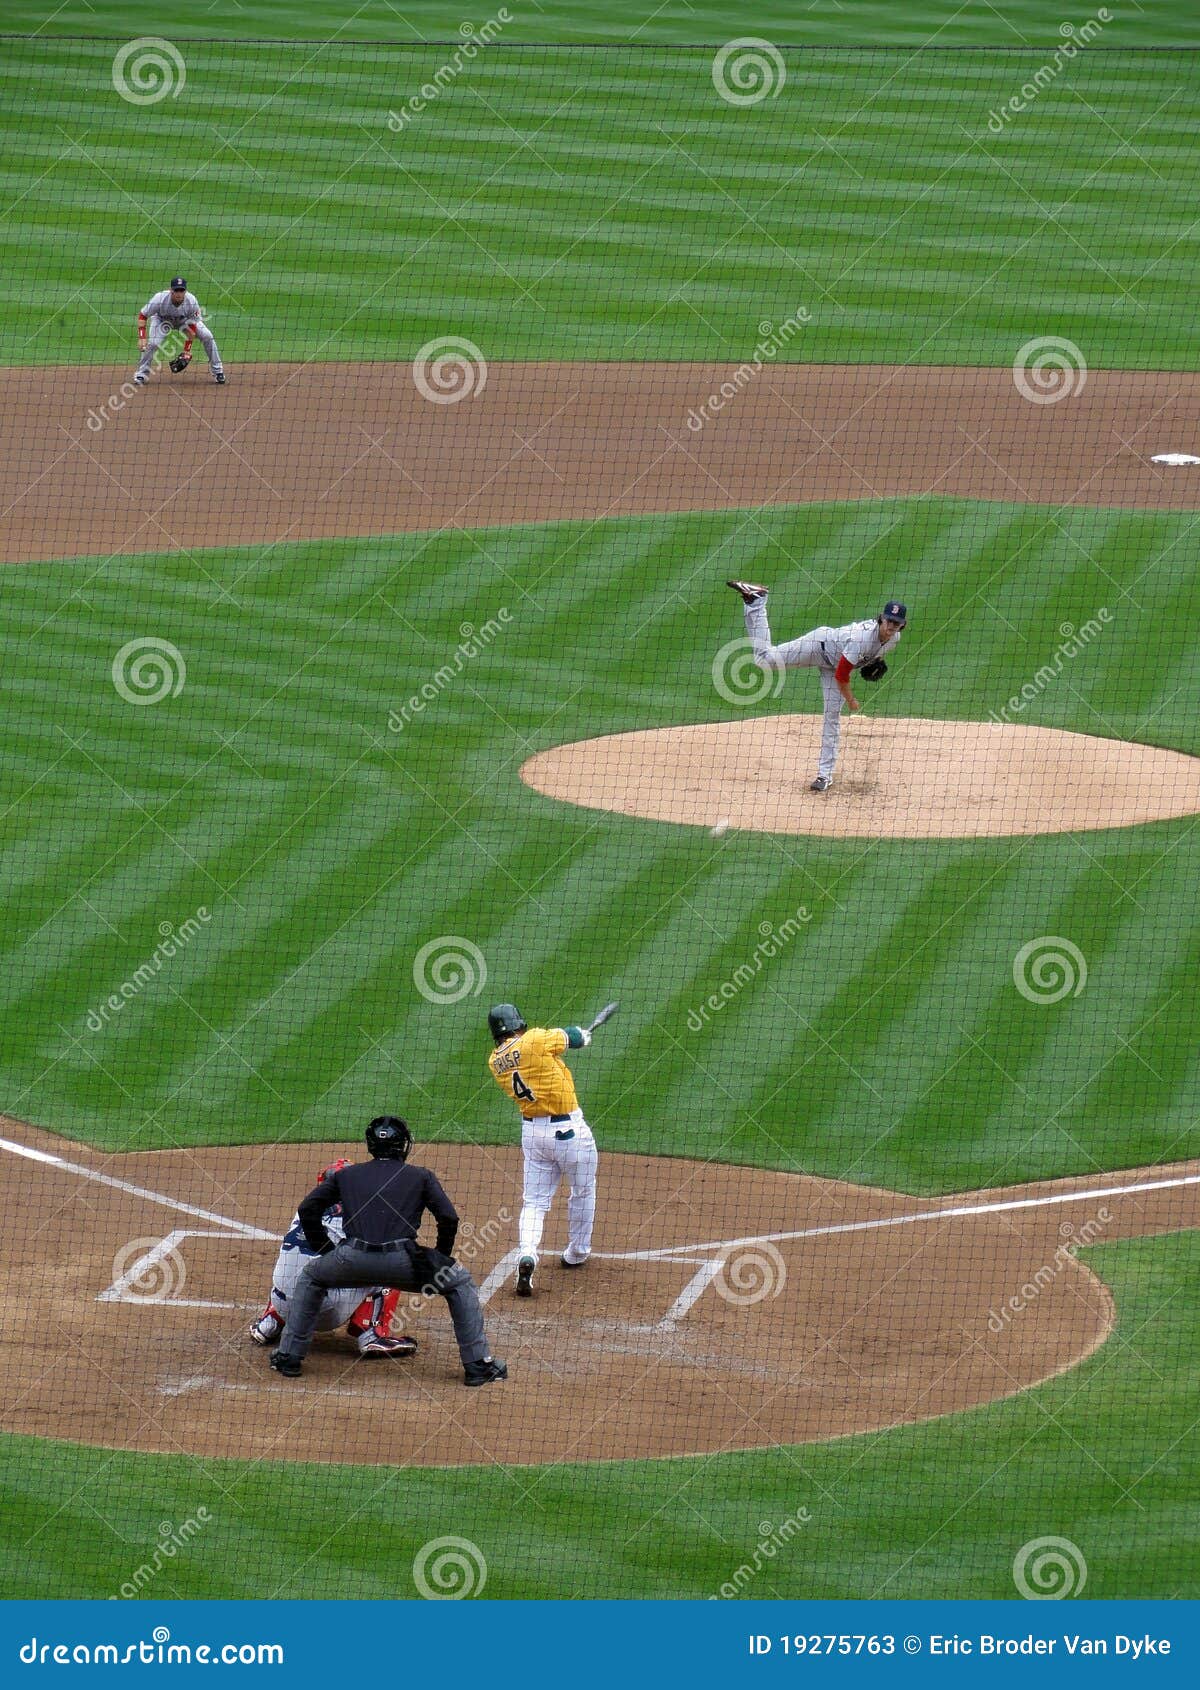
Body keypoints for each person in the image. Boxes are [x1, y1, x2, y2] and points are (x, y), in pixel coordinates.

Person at [268, 1117, 505, 1387]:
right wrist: (438, 1260)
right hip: (403, 1262)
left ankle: (289, 1358)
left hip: (350, 1261)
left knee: (312, 1276)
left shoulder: (347, 1175)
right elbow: (448, 1218)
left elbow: (308, 1209)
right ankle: (477, 1366)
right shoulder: (421, 1175)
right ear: (402, 1146)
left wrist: (328, 1251)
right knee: (460, 1282)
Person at [726, 583, 907, 791]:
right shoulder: (862, 639)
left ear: (902, 625)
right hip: (817, 646)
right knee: (764, 661)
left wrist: (872, 661)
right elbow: (842, 675)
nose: (891, 626)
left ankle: (824, 776)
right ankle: (757, 602)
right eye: (889, 621)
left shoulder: (895, 639)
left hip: (834, 664)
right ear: (881, 618)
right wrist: (851, 700)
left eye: (897, 623)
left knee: (831, 716)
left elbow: (865, 657)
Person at [248, 1157, 416, 1359]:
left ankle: (269, 1323)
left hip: (285, 1306)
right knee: (385, 1264)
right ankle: (371, 1334)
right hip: (325, 1312)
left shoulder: (305, 1209)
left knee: (292, 1260)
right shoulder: (365, 1215)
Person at [486, 1002, 598, 1298]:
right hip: (570, 1132)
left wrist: (577, 1037)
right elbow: (573, 1037)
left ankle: (528, 1253)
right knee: (582, 1191)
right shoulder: (534, 1039)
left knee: (534, 1202)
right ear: (517, 1024)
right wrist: (584, 1036)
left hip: (533, 1134)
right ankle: (577, 1252)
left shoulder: (494, 1061)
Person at [134, 275, 225, 385]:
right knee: (153, 343)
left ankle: (218, 371)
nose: (179, 293)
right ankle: (141, 374)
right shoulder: (159, 298)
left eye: (181, 290)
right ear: (170, 290)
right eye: (176, 290)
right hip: (162, 321)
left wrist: (187, 350)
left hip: (185, 321)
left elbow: (192, 327)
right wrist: (141, 337)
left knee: (207, 336)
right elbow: (143, 315)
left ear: (185, 291)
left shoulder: (191, 301)